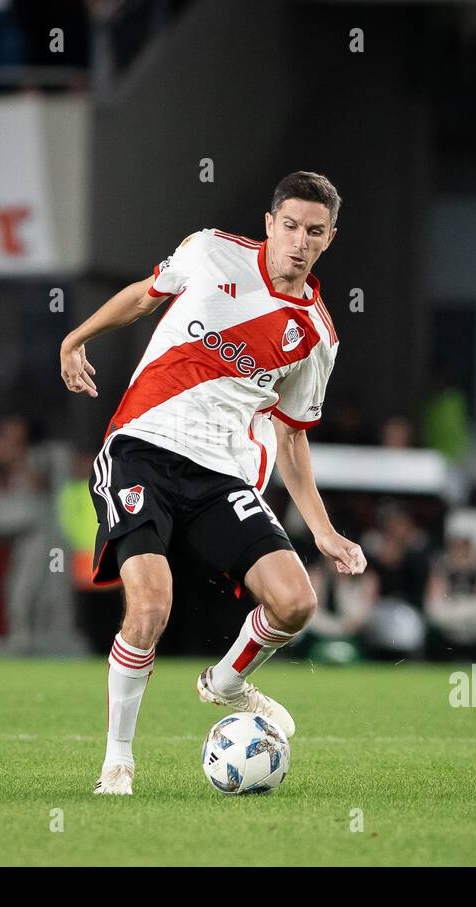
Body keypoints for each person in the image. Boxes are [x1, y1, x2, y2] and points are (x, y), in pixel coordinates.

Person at [60, 171, 367, 795]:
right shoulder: (208, 252)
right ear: (269, 224)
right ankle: (118, 760)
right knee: (149, 605)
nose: (299, 242)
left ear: (330, 238)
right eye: (290, 227)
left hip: (221, 475)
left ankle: (227, 682)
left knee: (296, 601)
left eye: (314, 232)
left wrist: (325, 531)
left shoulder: (317, 337)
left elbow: (291, 437)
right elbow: (145, 296)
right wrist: (77, 337)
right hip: (143, 448)